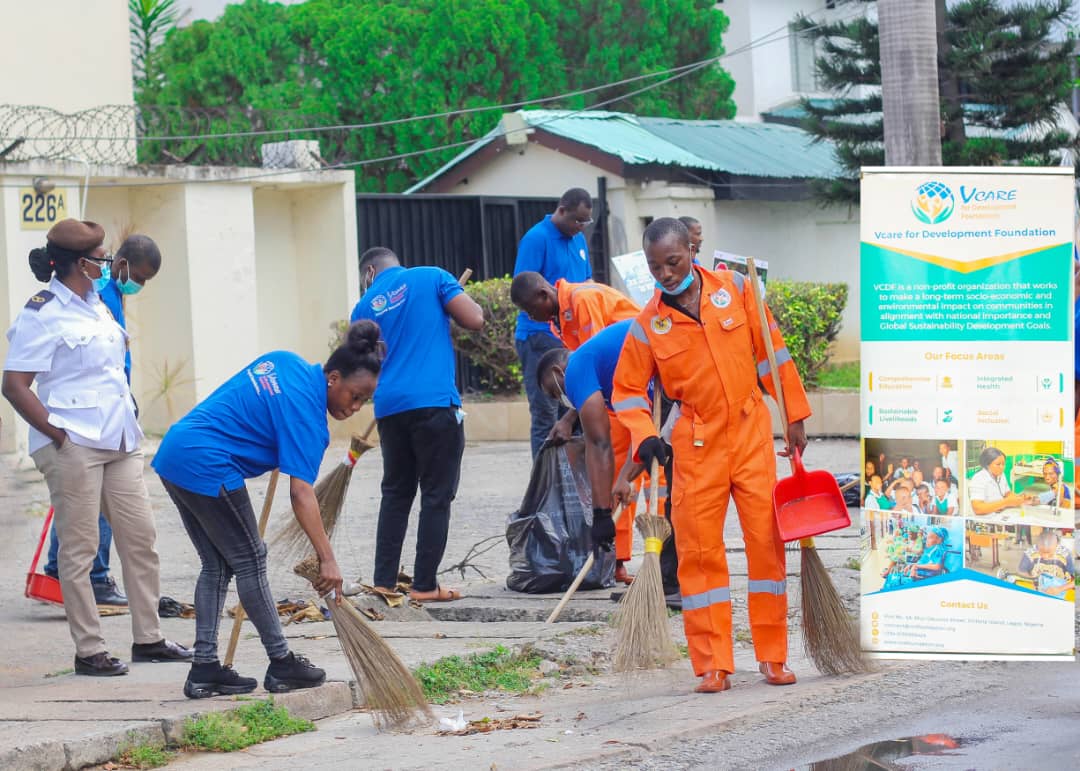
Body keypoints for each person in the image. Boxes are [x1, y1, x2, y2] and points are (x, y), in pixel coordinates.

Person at [612, 218, 811, 694]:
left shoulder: (736, 289)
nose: (665, 273)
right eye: (655, 267)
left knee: (766, 544)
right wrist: (645, 436)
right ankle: (712, 664)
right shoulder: (648, 325)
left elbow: (772, 353)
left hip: (750, 431)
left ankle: (773, 656)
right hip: (696, 443)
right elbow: (627, 392)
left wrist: (793, 414)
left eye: (673, 262)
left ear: (691, 251)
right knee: (699, 554)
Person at [153, 321, 384, 698]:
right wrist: (328, 559)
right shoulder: (308, 420)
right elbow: (301, 495)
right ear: (333, 378)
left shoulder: (285, 361)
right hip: (209, 463)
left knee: (217, 564)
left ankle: (205, 668)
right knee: (250, 559)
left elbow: (255, 405)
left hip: (176, 452)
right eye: (354, 396)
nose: (355, 407)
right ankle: (281, 662)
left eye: (364, 402)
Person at [3, 219, 191, 676]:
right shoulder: (42, 313)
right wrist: (58, 435)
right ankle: (89, 650)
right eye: (101, 258)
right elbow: (14, 384)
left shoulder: (99, 305)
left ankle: (149, 638)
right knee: (80, 550)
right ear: (80, 263)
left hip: (119, 438)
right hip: (74, 443)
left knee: (140, 539)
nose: (107, 264)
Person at [351, 247, 484, 604]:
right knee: (436, 495)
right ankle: (424, 585)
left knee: (396, 493)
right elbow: (475, 319)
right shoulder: (432, 276)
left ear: (370, 273)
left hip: (390, 408)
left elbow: (361, 364)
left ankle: (383, 581)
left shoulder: (363, 307)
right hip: (435, 403)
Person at [42, 234, 163, 608]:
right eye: (138, 277)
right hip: (93, 417)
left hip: (114, 408)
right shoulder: (97, 295)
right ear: (120, 263)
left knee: (87, 502)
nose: (139, 285)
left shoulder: (109, 292)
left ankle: (59, 568)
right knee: (98, 504)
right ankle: (94, 577)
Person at [534, 322, 676, 592]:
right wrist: (624, 478)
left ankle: (672, 582)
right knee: (674, 481)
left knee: (678, 487)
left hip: (674, 367)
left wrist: (601, 516)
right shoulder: (605, 377)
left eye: (554, 392)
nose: (561, 398)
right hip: (668, 379)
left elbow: (599, 444)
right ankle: (670, 580)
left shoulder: (576, 370)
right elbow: (644, 433)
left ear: (558, 372)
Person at [513, 188, 594, 457]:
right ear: (561, 211)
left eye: (585, 222)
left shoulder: (578, 238)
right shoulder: (537, 239)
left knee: (574, 411)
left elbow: (587, 282)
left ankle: (571, 478)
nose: (581, 226)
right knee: (545, 414)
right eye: (577, 220)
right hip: (540, 337)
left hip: (571, 336)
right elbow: (523, 290)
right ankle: (544, 479)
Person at [969, 447, 1029, 516]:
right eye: (998, 464)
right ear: (987, 465)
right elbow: (978, 509)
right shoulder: (979, 478)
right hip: (986, 517)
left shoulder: (1001, 475)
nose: (1002, 467)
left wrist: (1019, 498)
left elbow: (1007, 493)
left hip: (1001, 512)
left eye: (1003, 464)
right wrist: (1006, 502)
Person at [1017, 529, 1074, 596]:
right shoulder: (1030, 553)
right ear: (1037, 545)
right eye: (1041, 552)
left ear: (1056, 546)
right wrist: (1031, 581)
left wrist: (1060, 589)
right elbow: (1021, 572)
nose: (1045, 556)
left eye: (1049, 553)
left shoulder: (1065, 554)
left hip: (1060, 591)